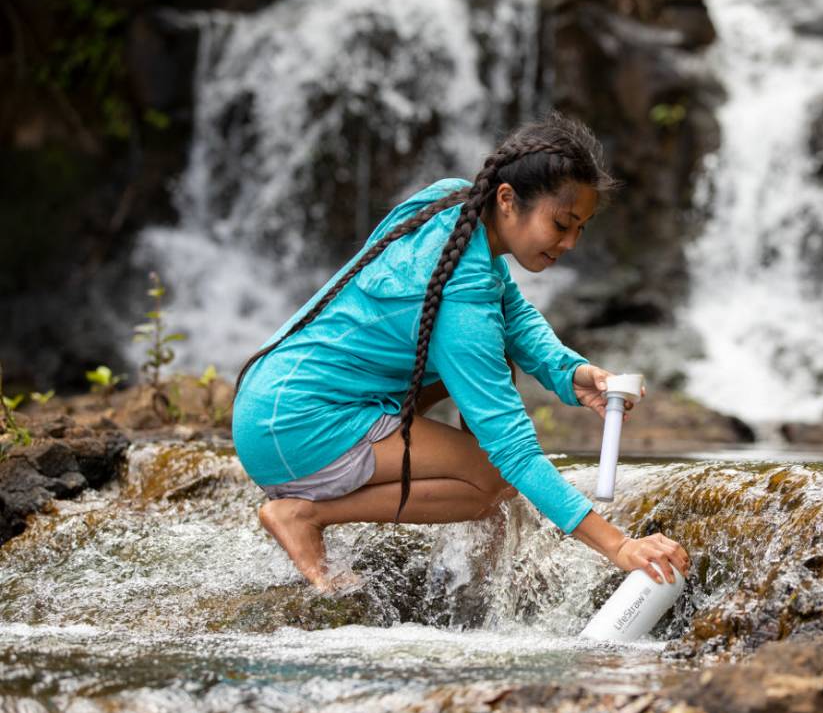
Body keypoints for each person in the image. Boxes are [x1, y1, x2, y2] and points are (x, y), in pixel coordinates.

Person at [231, 113, 690, 593]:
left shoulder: (452, 203)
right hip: (298, 425)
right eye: (561, 223)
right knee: (492, 483)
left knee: (496, 375)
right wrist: (618, 546)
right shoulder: (462, 309)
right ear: (508, 200)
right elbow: (513, 450)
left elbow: (510, 308)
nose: (571, 243)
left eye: (581, 228)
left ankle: (471, 523)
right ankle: (304, 514)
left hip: (269, 396)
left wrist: (568, 372)